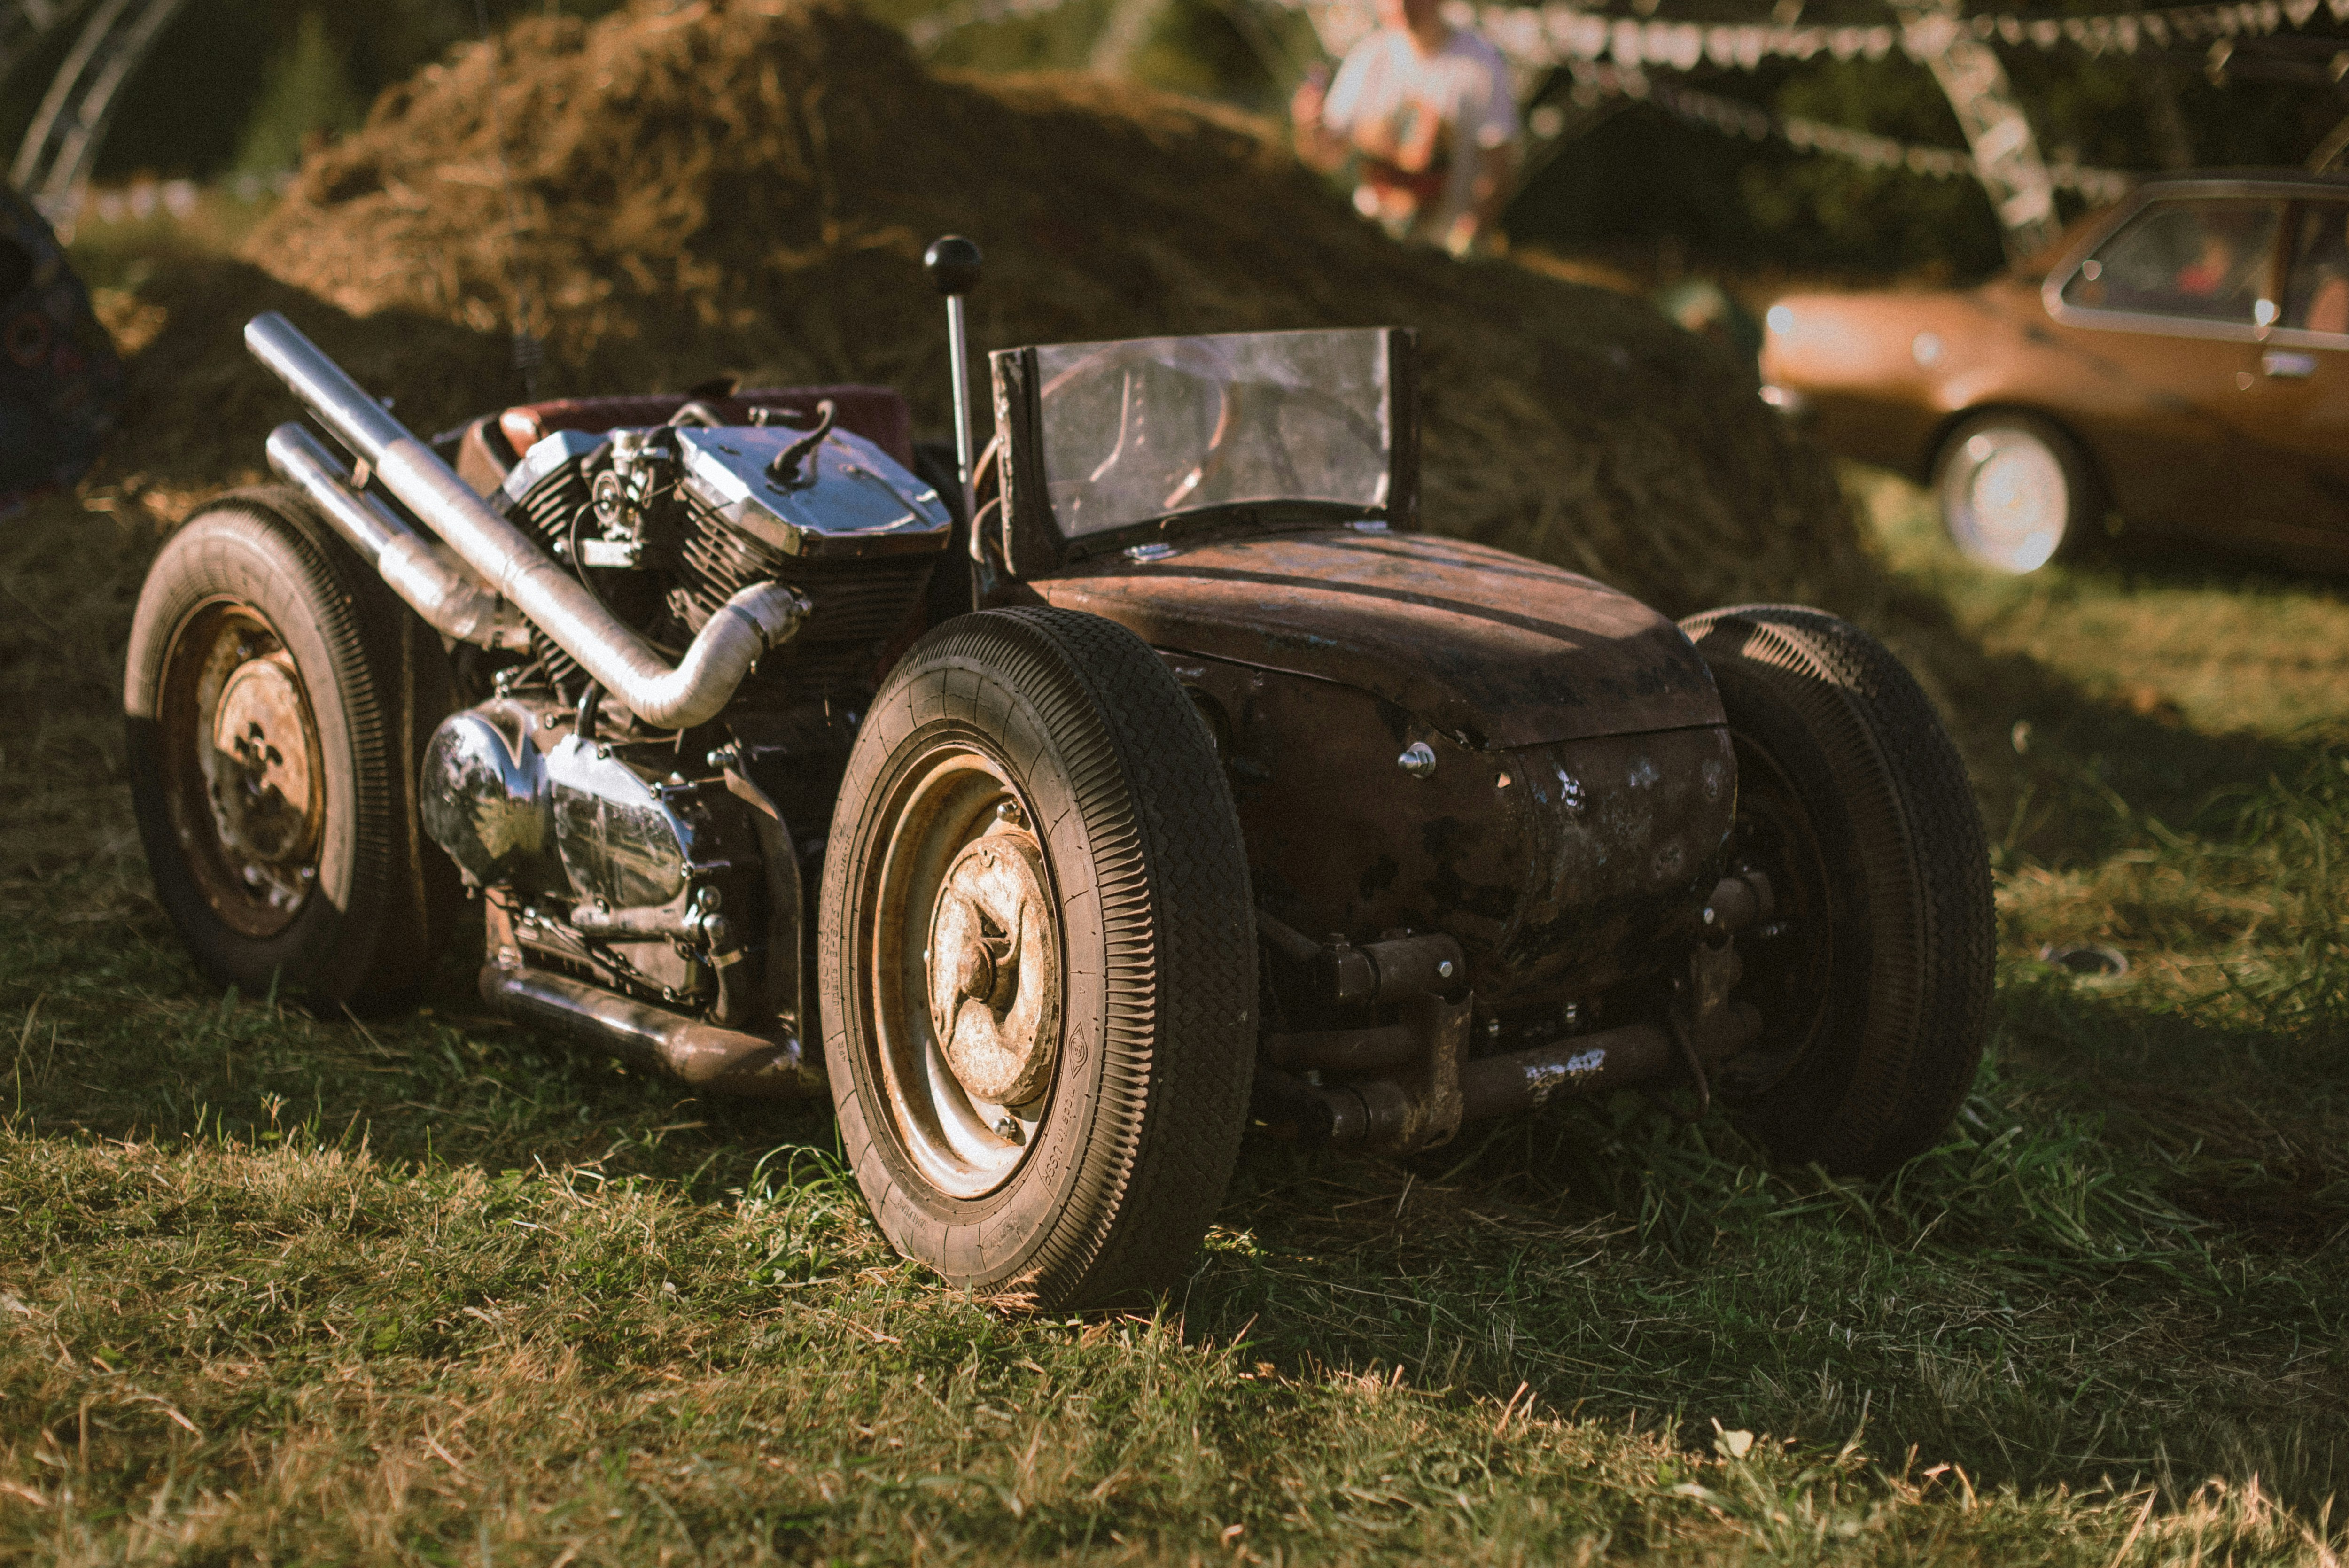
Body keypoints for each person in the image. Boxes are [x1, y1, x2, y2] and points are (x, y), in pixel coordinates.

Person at [1291, 0, 1520, 257]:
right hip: (1366, 244)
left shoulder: (1482, 64)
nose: (1399, 5)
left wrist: (1467, 242)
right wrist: (1309, 126)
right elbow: (1327, 157)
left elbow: (1499, 165)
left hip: (1438, 256)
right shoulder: (1370, 56)